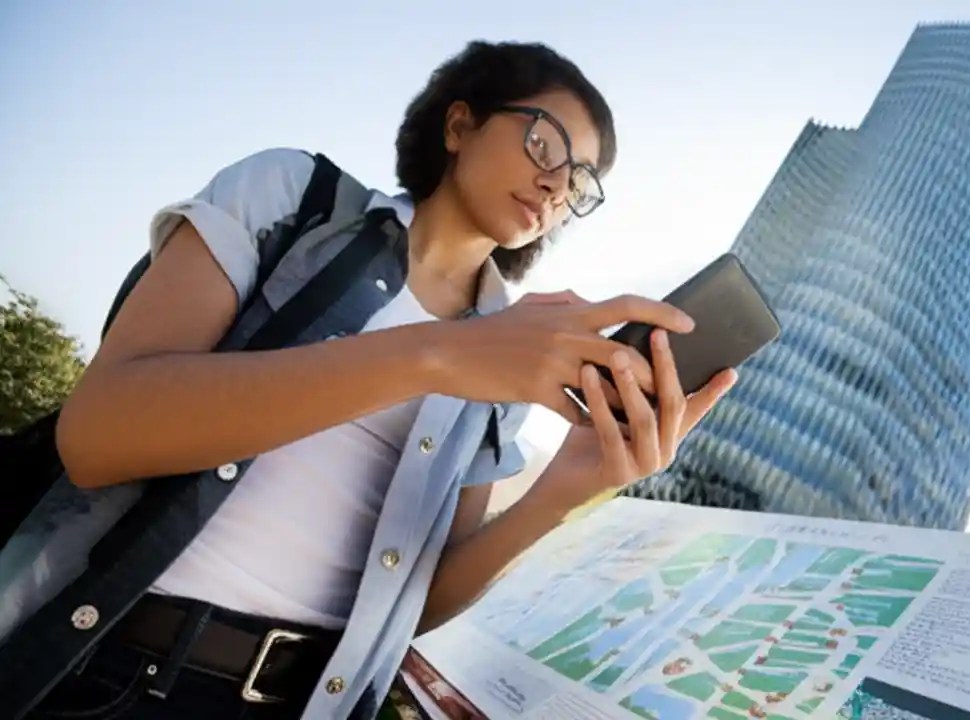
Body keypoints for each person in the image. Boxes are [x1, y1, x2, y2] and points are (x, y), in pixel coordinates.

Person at [4, 40, 736, 719]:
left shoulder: (513, 357)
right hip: (104, 667)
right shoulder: (294, 197)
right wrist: (442, 355)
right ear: (459, 124)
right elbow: (100, 434)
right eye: (544, 141)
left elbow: (410, 602)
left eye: (580, 181)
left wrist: (563, 492)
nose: (555, 183)